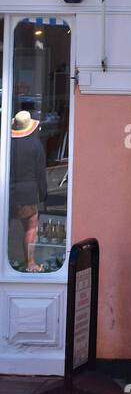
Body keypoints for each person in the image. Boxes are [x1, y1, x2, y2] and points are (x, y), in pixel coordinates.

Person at [10, 111, 47, 273]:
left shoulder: (7, 143)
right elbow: (40, 172)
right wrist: (43, 194)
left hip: (8, 190)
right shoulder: (35, 144)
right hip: (29, 192)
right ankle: (30, 264)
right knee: (30, 229)